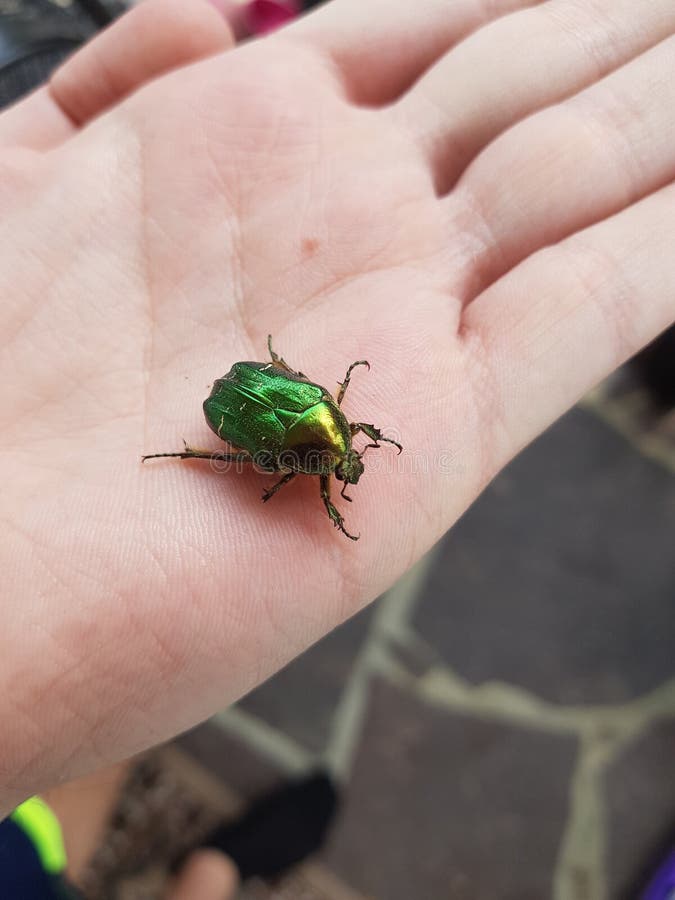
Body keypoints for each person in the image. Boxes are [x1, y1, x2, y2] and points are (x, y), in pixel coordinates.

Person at [1, 0, 674, 890]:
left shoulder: (325, 423)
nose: (347, 465)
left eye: (346, 459)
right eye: (347, 459)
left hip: (265, 391)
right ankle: (211, 870)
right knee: (247, 466)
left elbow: (332, 424)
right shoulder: (307, 450)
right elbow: (303, 448)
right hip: (244, 405)